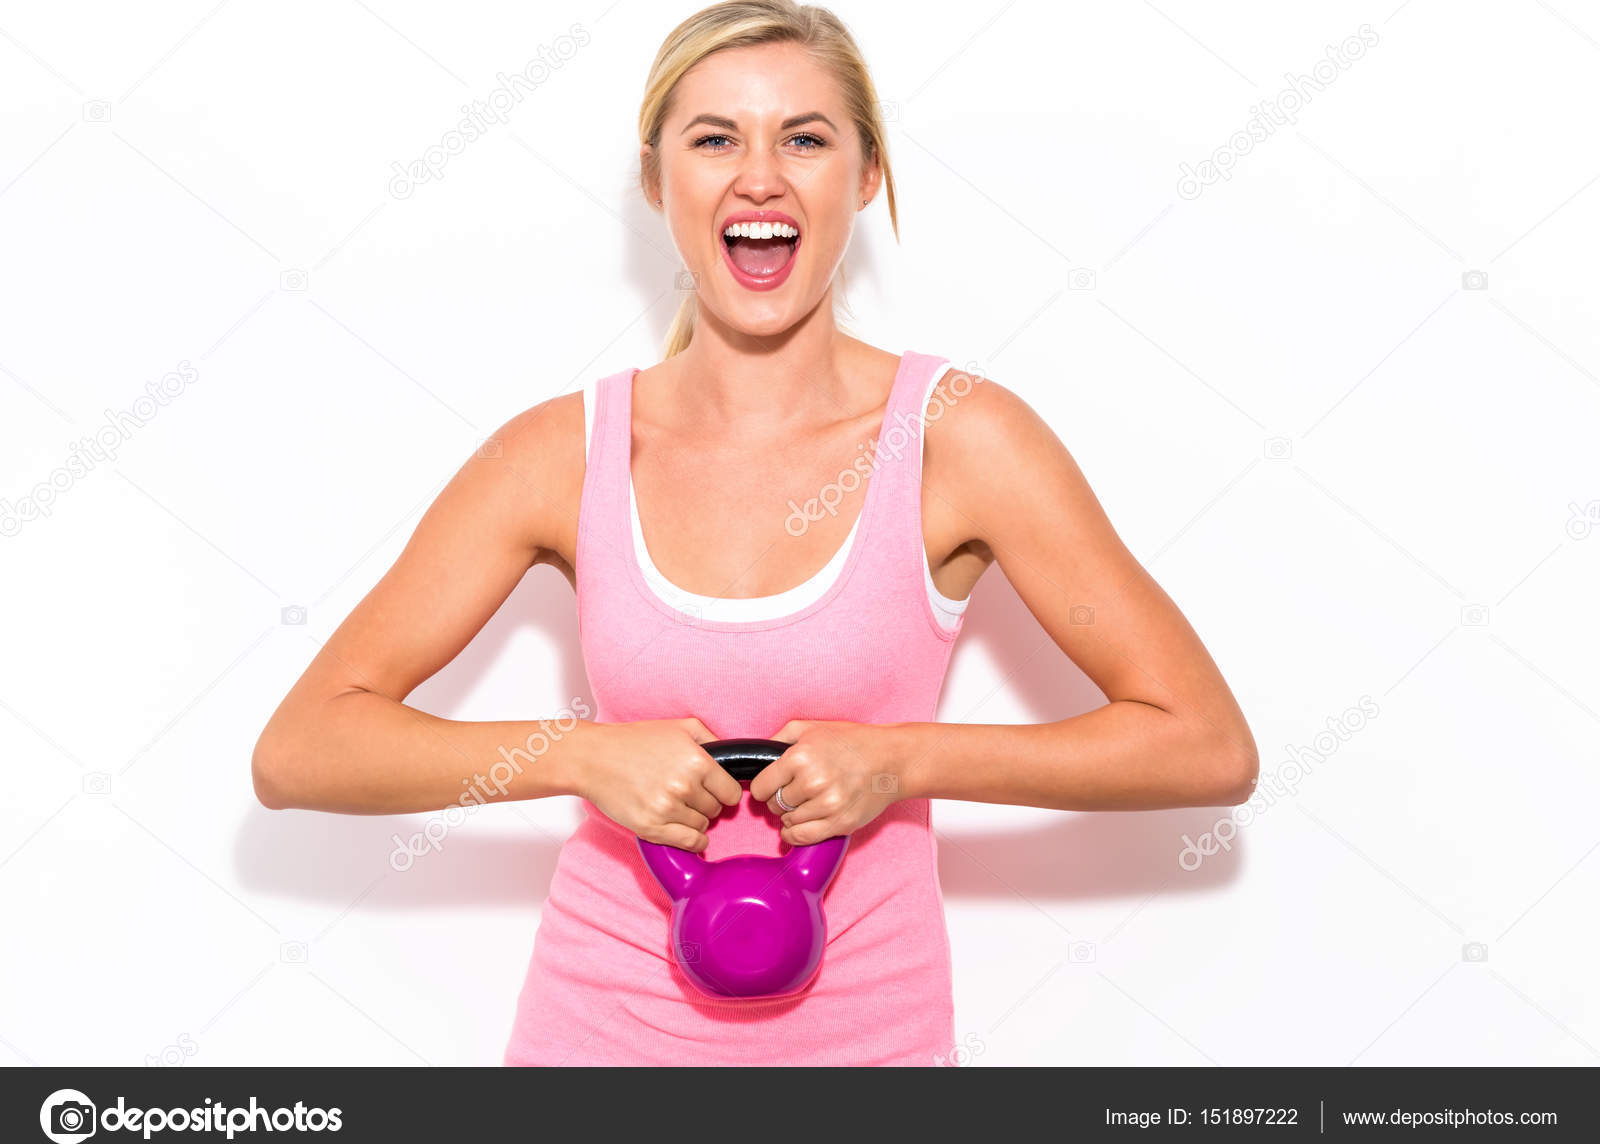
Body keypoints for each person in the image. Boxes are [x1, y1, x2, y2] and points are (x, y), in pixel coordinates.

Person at [251, 0, 1258, 1067]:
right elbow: (302, 749)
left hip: (874, 1052)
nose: (760, 176)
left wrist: (903, 761)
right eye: (715, 138)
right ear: (656, 181)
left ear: (865, 176)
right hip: (594, 1046)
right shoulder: (561, 454)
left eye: (807, 138)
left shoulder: (963, 441)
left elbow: (1203, 743)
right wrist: (581, 758)